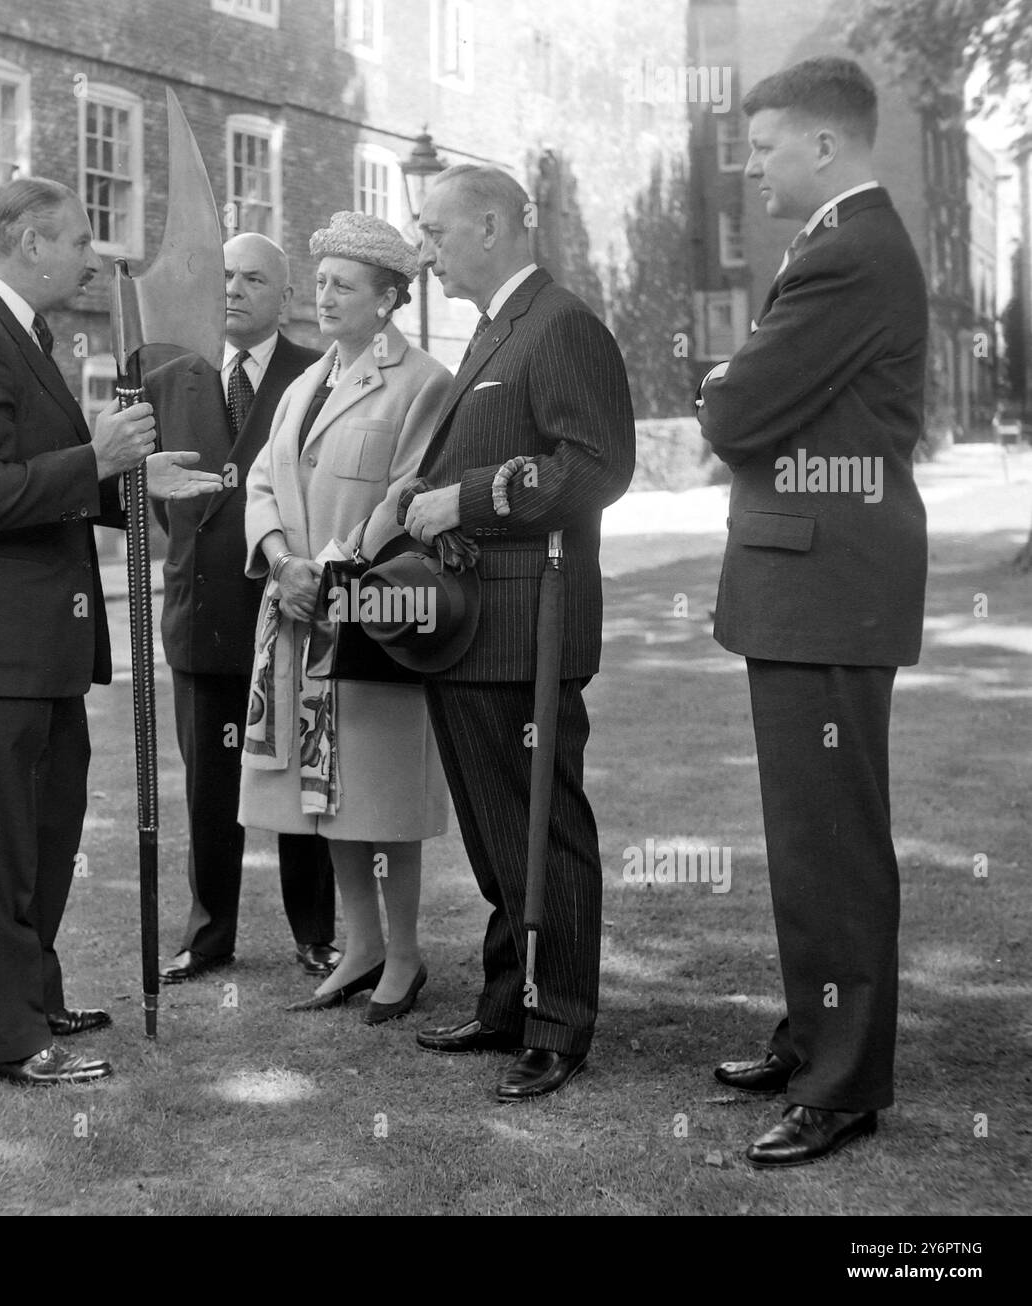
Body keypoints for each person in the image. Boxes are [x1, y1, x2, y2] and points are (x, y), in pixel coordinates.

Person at [0, 177, 221, 1086]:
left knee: (44, 828)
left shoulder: (19, 336)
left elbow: (42, 481)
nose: (89, 257)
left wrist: (140, 486)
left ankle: (33, 994)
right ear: (29, 243)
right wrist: (97, 457)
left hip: (39, 647)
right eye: (76, 240)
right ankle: (2, 1038)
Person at [697, 57, 928, 1168]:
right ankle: (814, 1036)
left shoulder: (846, 254)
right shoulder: (837, 246)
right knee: (806, 836)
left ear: (824, 146)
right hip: (812, 581)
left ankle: (843, 1085)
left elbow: (738, 410)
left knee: (828, 839)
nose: (751, 166)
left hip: (827, 587)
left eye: (766, 145)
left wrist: (723, 388)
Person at [405, 165, 635, 1100]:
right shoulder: (500, 329)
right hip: (476, 625)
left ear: (492, 225)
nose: (425, 254)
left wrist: (461, 498)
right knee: (498, 829)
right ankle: (510, 998)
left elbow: (594, 469)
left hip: (527, 626)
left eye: (435, 232)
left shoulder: (562, 324)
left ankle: (559, 1020)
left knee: (543, 830)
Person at [240, 211, 453, 1023]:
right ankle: (357, 946)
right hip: (298, 614)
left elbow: (408, 494)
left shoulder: (423, 382)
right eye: (319, 280)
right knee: (322, 795)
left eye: (342, 285)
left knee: (382, 795)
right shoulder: (307, 381)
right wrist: (282, 561)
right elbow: (263, 481)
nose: (323, 296)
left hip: (369, 617)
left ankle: (403, 957)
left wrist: (326, 572)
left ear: (389, 298)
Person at [145, 233, 339, 985]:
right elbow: (156, 495)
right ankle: (208, 934)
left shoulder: (315, 374)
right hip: (199, 615)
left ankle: (316, 932)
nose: (233, 290)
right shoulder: (172, 376)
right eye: (223, 275)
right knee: (207, 786)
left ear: (284, 297)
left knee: (298, 780)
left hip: (283, 613)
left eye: (253, 279)